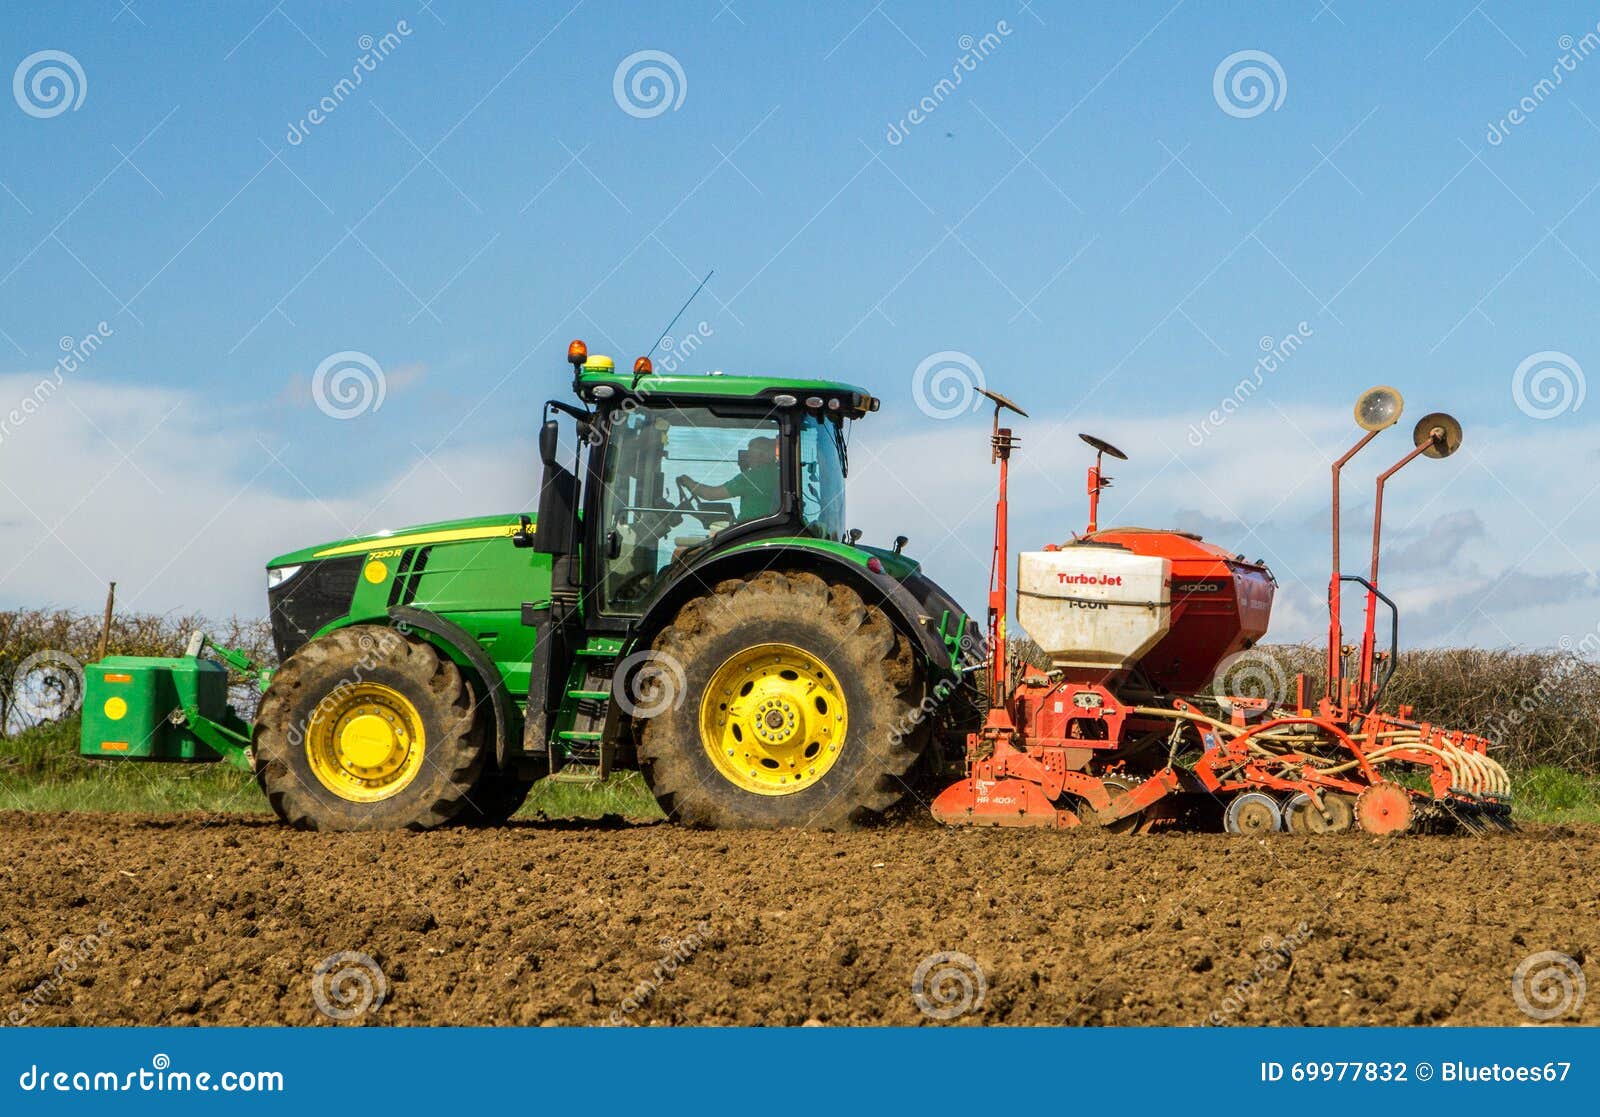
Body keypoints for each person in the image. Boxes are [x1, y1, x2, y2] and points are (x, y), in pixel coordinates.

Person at [677, 435, 779, 522]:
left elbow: (710, 494)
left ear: (762, 456)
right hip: (767, 528)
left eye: (750, 455)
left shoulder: (752, 477)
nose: (748, 459)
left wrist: (687, 481)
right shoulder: (779, 473)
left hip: (749, 531)